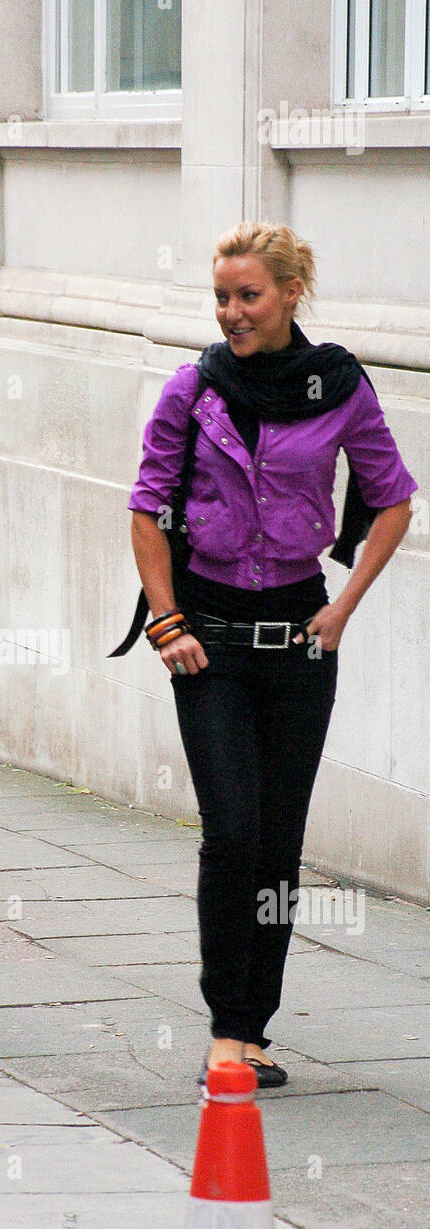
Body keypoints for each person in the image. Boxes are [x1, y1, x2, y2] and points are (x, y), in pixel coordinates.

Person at [128, 222, 417, 1088]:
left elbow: (393, 499)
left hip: (297, 638)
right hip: (208, 643)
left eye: (246, 296)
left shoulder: (338, 387)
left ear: (290, 293)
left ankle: (255, 1028)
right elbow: (145, 508)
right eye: (221, 297)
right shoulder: (193, 389)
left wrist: (341, 609)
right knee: (233, 832)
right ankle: (224, 1025)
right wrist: (166, 621)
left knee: (280, 844)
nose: (230, 313)